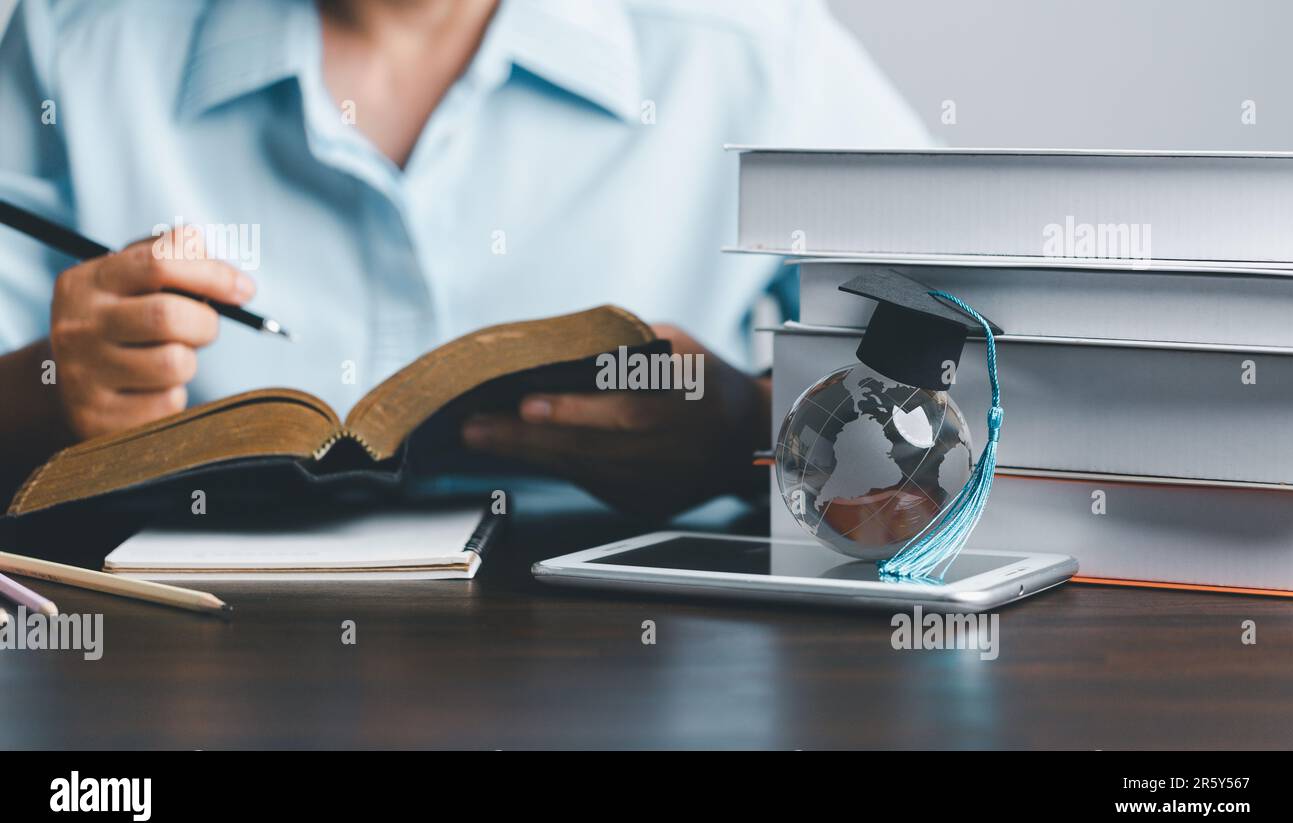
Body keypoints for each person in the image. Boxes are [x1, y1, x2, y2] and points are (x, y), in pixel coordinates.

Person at [0, 0, 929, 513]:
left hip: (653, 657)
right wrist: (51, 384)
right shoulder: (73, 43)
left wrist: (749, 438)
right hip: (179, 668)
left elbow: (978, 381)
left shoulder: (757, 53)